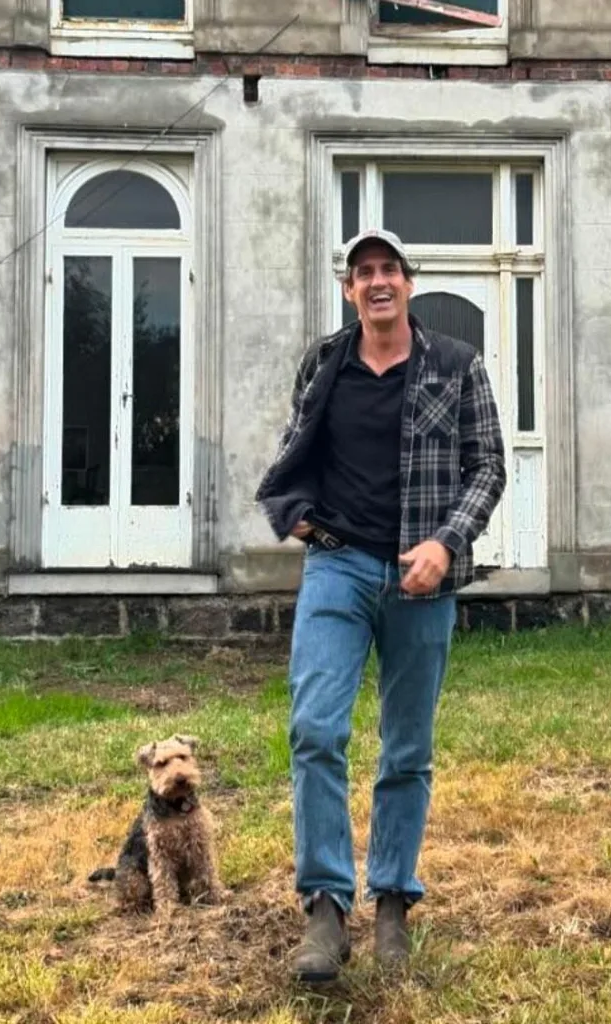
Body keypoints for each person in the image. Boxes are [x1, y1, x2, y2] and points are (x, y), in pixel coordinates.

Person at [254, 227, 507, 983]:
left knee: (407, 747)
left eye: (388, 269)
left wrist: (446, 544)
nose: (377, 282)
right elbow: (296, 443)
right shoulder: (324, 362)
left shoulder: (456, 366)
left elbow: (488, 466)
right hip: (337, 562)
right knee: (314, 728)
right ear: (349, 289)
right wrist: (293, 506)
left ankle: (392, 898)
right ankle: (326, 906)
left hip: (418, 576)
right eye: (362, 272)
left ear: (408, 281)